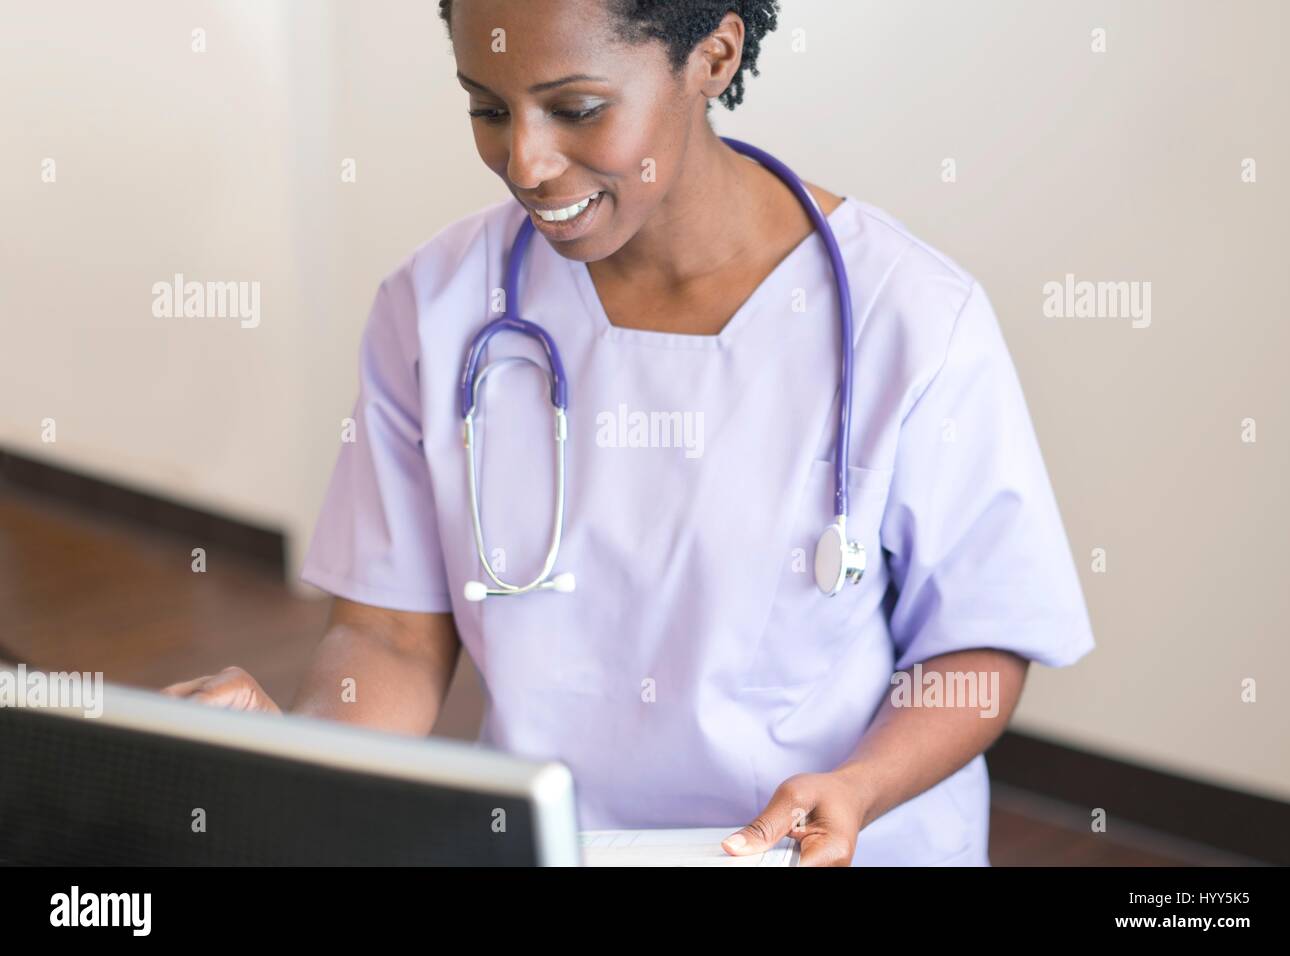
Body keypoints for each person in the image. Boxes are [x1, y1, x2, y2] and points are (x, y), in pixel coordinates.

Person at [163, 0, 1095, 866]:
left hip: (831, 851)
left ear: (713, 57)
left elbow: (975, 646)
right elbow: (393, 639)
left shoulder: (915, 318)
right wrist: (290, 760)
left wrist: (860, 785)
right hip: (559, 846)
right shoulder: (437, 304)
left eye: (575, 108)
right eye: (487, 109)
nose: (525, 161)